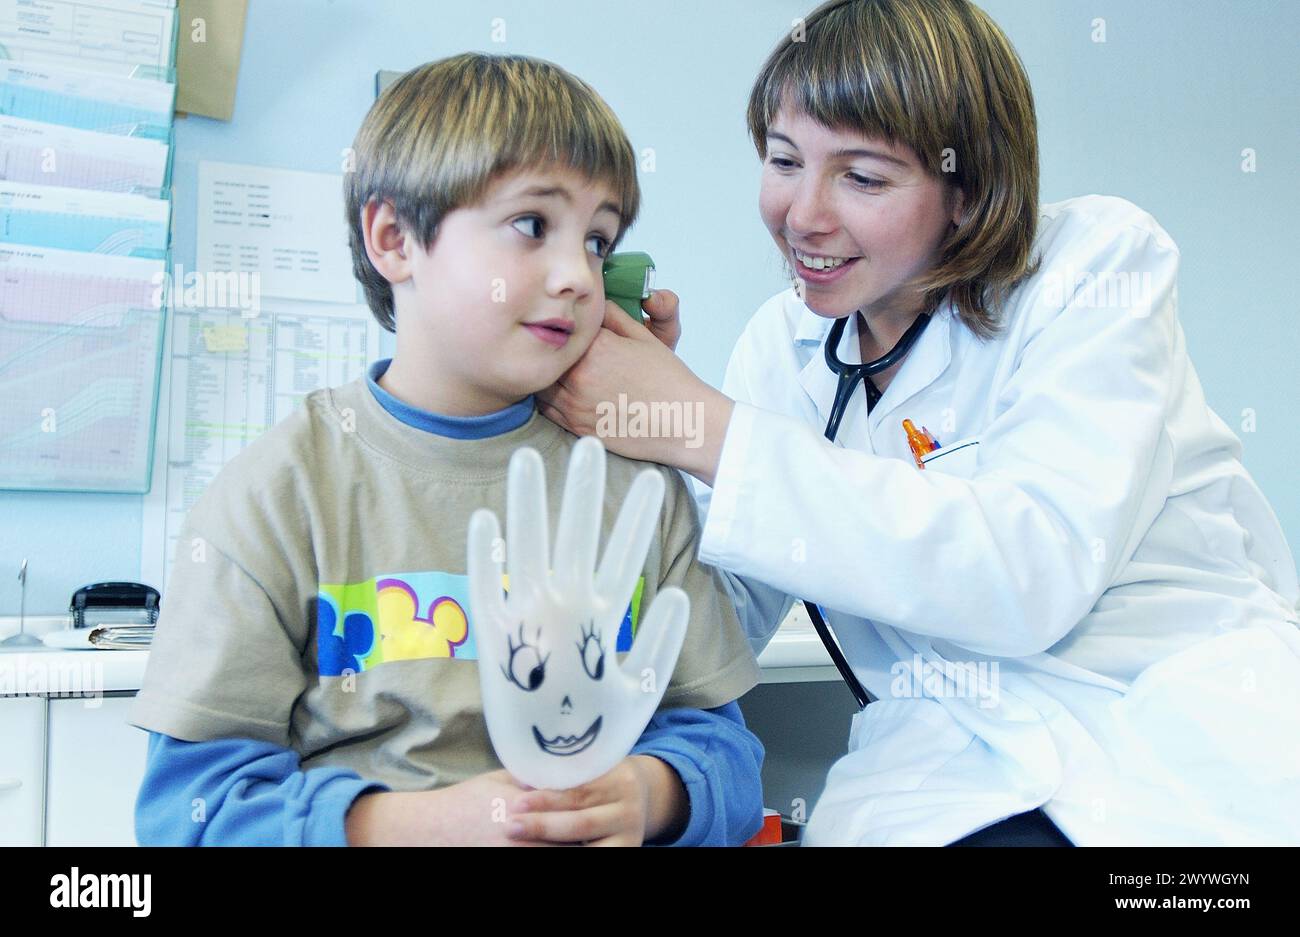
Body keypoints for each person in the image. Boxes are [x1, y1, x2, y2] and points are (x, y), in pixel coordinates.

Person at [539, 0, 1300, 846]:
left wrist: (698, 426)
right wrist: (625, 452)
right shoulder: (782, 345)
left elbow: (1034, 570)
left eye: (862, 177)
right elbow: (716, 628)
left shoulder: (1094, 269)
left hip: (1165, 746)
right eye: (785, 160)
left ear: (968, 192)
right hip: (940, 778)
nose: (803, 215)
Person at [129, 53, 765, 847]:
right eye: (533, 224)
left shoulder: (634, 487)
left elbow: (729, 758)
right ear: (395, 238)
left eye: (600, 241)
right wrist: (418, 826)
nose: (577, 274)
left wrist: (645, 792)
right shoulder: (275, 495)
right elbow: (191, 813)